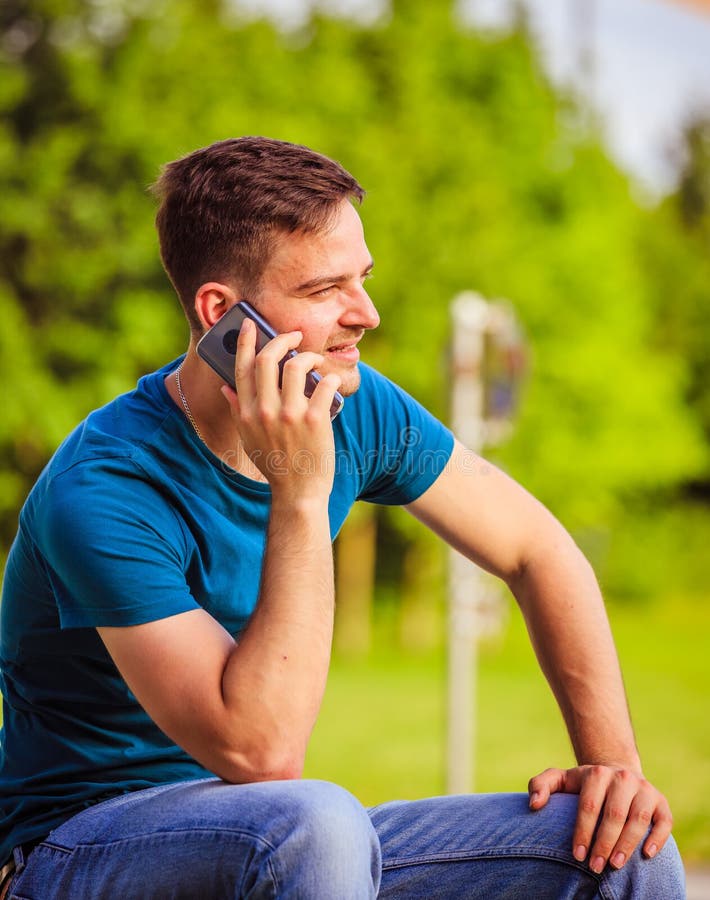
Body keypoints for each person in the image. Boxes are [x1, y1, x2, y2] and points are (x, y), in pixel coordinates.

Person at [0, 136, 684, 899]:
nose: (367, 314)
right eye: (328, 289)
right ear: (223, 314)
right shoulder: (102, 490)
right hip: (72, 850)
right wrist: (299, 491)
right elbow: (259, 752)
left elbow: (537, 550)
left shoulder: (357, 405)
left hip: (270, 833)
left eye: (361, 279)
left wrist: (614, 771)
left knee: (629, 855)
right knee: (313, 820)